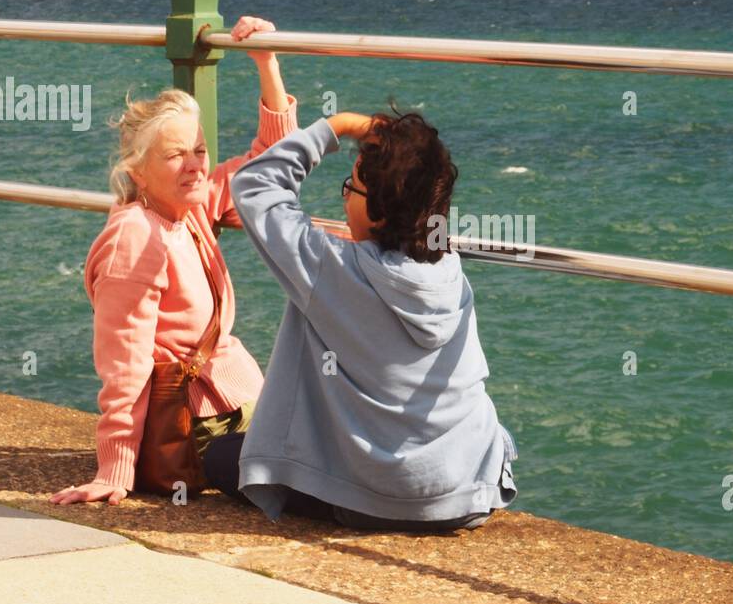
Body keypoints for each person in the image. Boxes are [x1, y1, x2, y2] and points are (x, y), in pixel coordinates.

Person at [206, 106, 518, 530]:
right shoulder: (449, 269)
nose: (344, 196)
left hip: (370, 501)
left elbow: (255, 184)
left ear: (380, 214)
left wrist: (336, 127)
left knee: (220, 458)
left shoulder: (327, 268)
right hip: (469, 492)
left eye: (349, 188)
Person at [50, 16, 297, 506]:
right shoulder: (135, 237)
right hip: (199, 428)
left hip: (238, 404)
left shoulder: (191, 207)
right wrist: (115, 470)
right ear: (137, 172)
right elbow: (125, 362)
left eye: (200, 150)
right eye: (176, 155)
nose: (195, 164)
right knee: (318, 469)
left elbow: (273, 161)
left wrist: (266, 59)